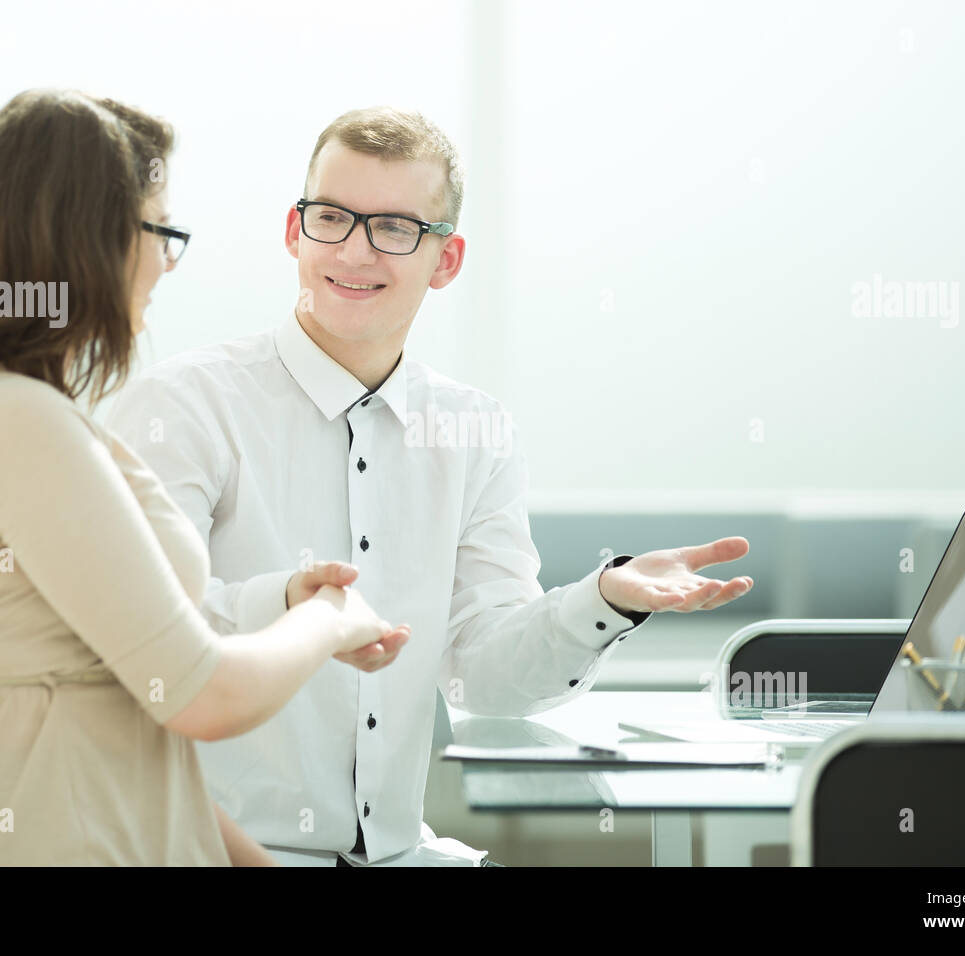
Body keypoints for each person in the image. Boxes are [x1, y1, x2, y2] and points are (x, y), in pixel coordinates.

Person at [105, 106, 755, 866]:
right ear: (294, 231)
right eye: (332, 218)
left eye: (395, 228)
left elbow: (485, 673)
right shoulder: (184, 405)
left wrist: (605, 599)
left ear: (445, 261)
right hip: (214, 853)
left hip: (400, 854)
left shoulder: (475, 432)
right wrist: (296, 605)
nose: (354, 249)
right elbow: (147, 635)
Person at [0, 90, 409, 866]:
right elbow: (205, 695)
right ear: (86, 240)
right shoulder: (18, 424)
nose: (165, 261)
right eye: (160, 231)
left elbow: (139, 724)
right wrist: (329, 619)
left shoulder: (20, 415)